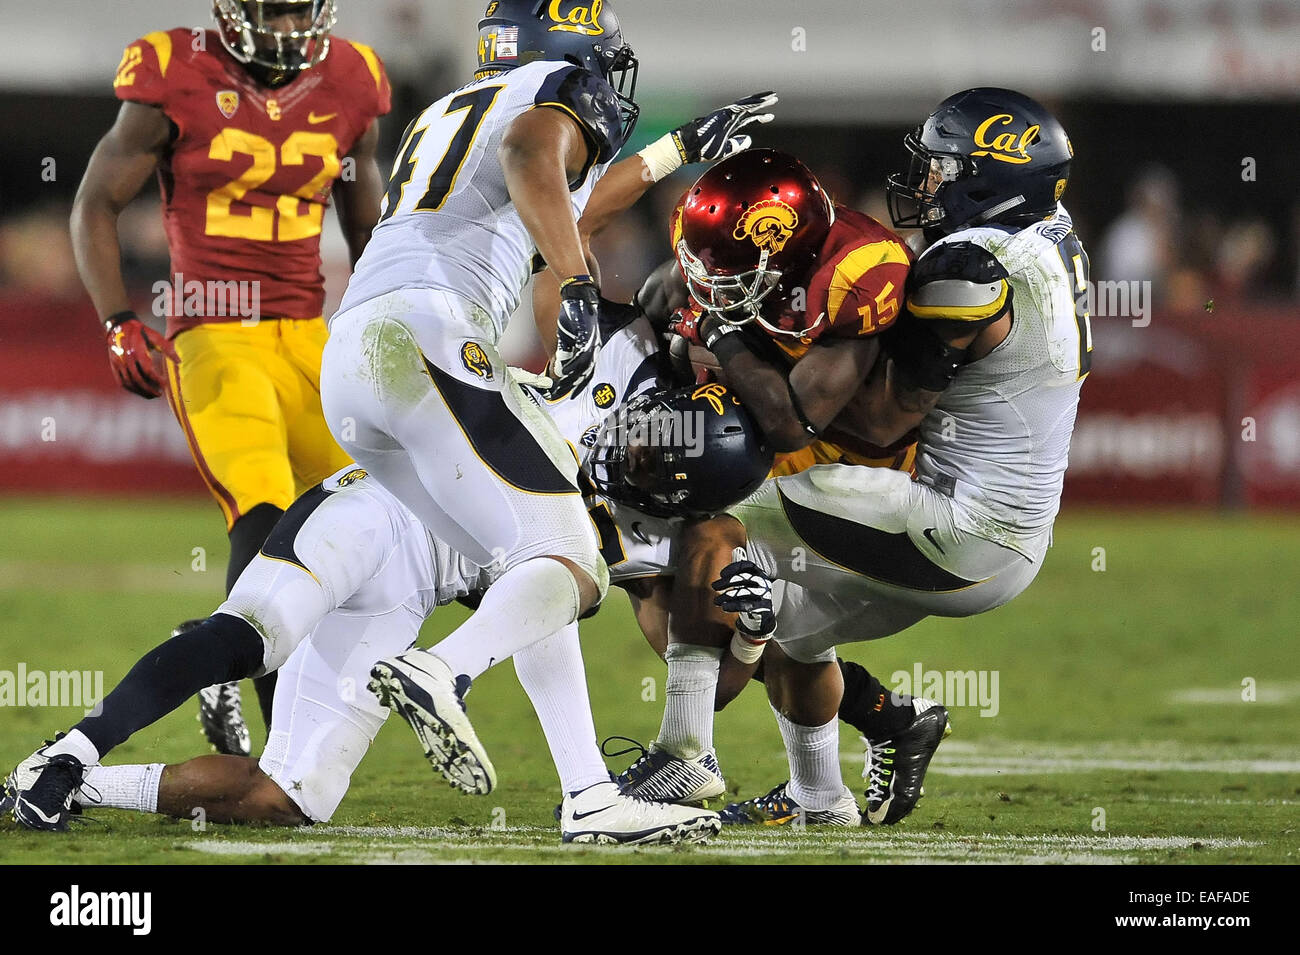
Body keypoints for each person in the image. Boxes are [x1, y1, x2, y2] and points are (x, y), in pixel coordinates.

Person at [3, 306, 768, 843]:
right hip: (380, 511)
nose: (627, 447)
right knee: (254, 635)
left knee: (288, 798)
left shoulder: (658, 537)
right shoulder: (601, 378)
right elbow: (643, 281)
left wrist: (749, 640)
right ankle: (73, 747)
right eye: (640, 433)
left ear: (677, 492)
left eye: (648, 458)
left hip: (411, 595)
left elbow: (684, 656)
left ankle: (69, 785)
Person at [316, 0, 773, 795]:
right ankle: (446, 673)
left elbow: (560, 202)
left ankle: (581, 790)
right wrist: (576, 283)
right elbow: (536, 156)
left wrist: (676, 150)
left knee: (530, 557)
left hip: (358, 350)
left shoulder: (458, 108)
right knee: (564, 552)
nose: (608, 74)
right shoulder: (550, 93)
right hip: (426, 335)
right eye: (601, 55)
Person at [636, 89, 1088, 828]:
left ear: (989, 175)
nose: (925, 184)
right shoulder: (1048, 237)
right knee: (787, 626)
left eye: (942, 169)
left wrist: (736, 338)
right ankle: (822, 795)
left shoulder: (969, 269)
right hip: (999, 533)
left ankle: (686, 751)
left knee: (702, 498)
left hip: (959, 529)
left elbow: (882, 417)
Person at [70, 0, 391, 755]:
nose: (287, 30)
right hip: (214, 329)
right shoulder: (173, 67)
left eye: (297, 12)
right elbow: (94, 201)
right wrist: (118, 317)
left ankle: (216, 651)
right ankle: (285, 744)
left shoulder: (354, 76)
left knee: (365, 524)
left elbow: (370, 227)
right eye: (272, 13)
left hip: (309, 337)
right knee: (266, 512)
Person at [615, 148, 916, 817]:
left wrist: (716, 332)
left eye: (729, 272)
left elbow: (791, 422)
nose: (711, 284)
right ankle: (828, 783)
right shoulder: (719, 261)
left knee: (702, 548)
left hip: (852, 466)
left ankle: (687, 752)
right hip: (764, 440)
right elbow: (653, 306)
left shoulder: (858, 273)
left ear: (788, 248)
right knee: (768, 627)